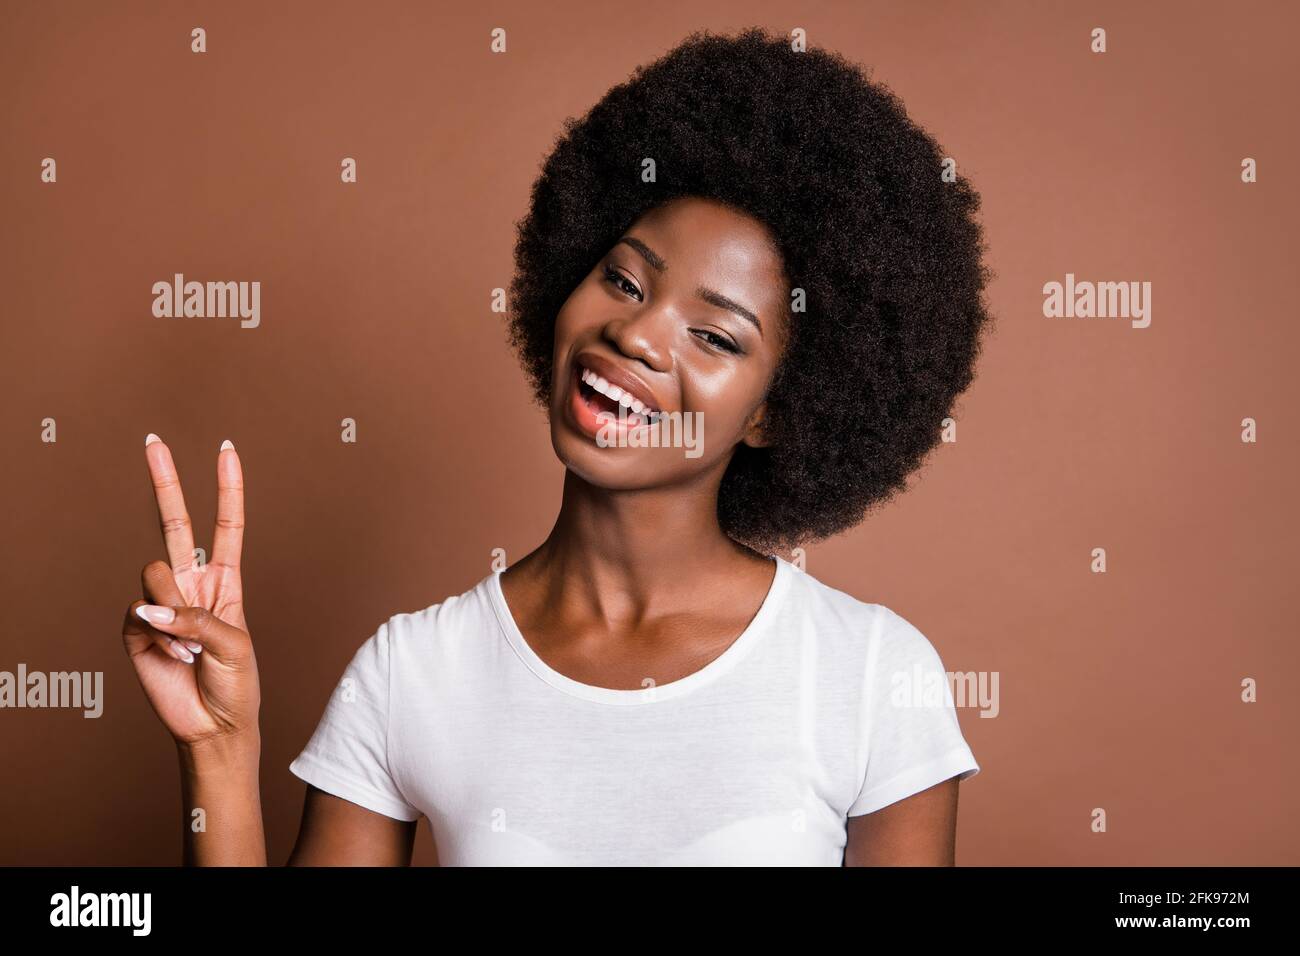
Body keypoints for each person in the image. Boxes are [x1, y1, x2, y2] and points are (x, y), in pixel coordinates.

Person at [123, 26, 993, 866]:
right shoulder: (413, 671)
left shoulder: (871, 673)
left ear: (777, 411)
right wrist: (221, 753)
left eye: (716, 337)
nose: (640, 334)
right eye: (623, 279)